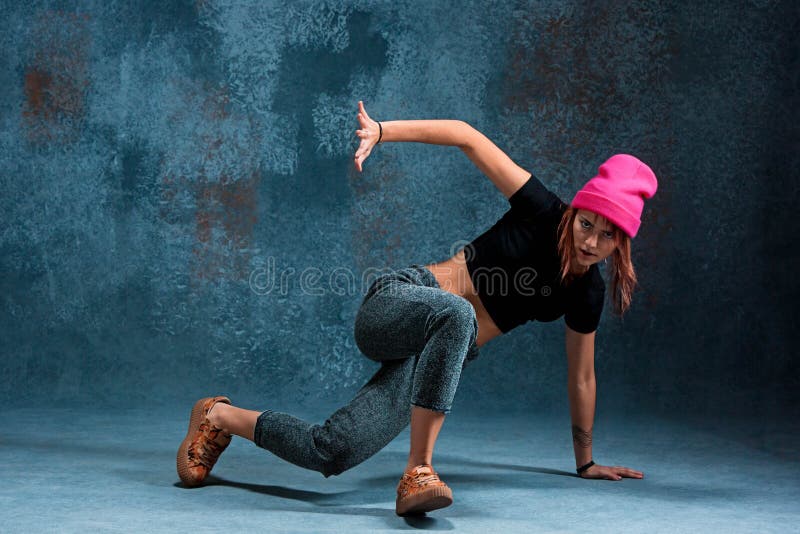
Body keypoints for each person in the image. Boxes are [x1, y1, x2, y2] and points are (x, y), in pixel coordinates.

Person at [176, 100, 656, 516]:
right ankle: (419, 471)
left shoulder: (587, 292)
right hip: (397, 303)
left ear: (623, 241)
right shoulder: (542, 210)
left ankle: (218, 417)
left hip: (432, 364)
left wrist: (586, 462)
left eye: (607, 234)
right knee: (459, 314)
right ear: (575, 212)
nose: (591, 240)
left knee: (334, 450)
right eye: (586, 223)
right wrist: (382, 131)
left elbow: (583, 376)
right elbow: (467, 137)